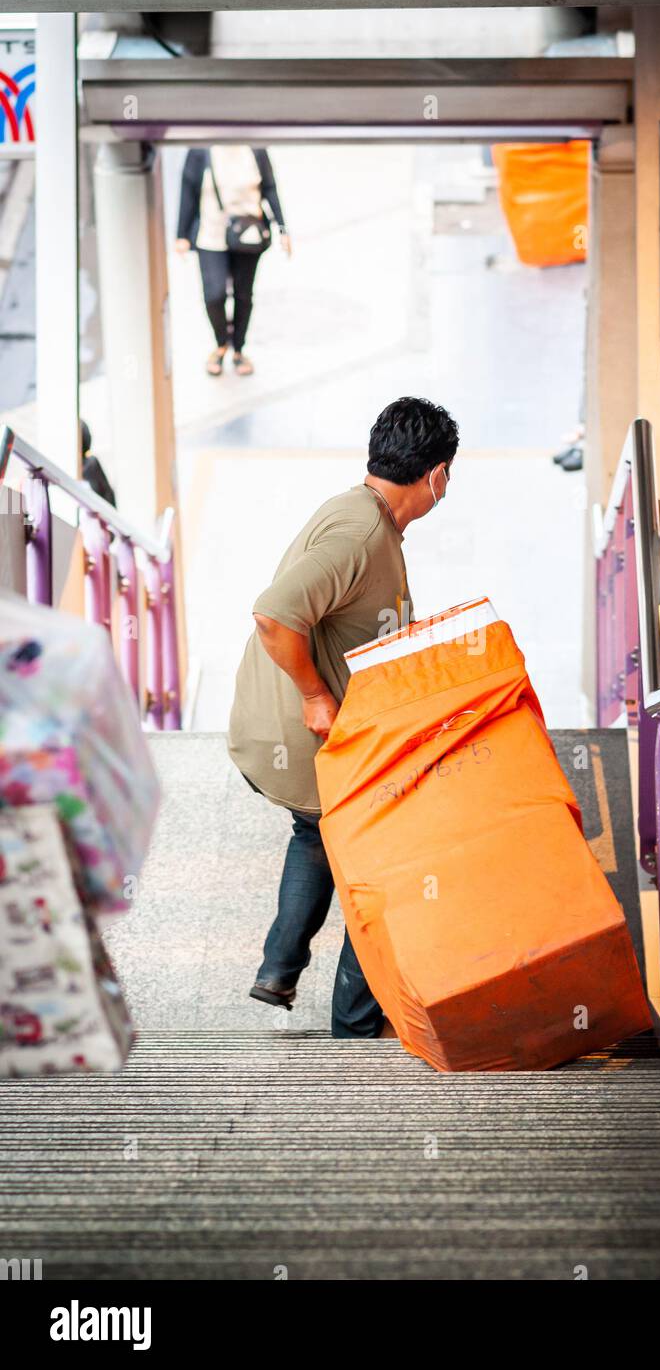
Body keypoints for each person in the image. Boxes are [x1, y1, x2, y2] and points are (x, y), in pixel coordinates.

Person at [228, 397, 459, 1038]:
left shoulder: (361, 512)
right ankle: (357, 1021)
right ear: (437, 475)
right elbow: (274, 614)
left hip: (283, 733)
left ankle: (278, 970)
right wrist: (314, 694)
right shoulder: (363, 534)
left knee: (316, 833)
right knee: (387, 853)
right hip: (304, 736)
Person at [175, 146, 291, 377]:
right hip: (210, 234)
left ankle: (238, 349)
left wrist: (282, 228)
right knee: (214, 295)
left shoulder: (255, 149)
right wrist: (181, 234)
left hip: (248, 233)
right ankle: (221, 343)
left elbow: (269, 187)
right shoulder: (200, 150)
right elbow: (188, 190)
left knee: (243, 295)